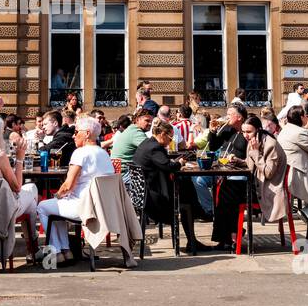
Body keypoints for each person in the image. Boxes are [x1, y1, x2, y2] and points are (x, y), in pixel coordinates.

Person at [35, 117, 115, 269]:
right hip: (101, 207)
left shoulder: (80, 153)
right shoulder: (104, 154)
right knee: (55, 207)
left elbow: (67, 186)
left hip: (83, 207)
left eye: (76, 132)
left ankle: (57, 252)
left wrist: (56, 196)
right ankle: (65, 251)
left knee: (43, 206)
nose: (73, 135)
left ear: (87, 133)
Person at [133, 117, 213, 254]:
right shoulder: (155, 148)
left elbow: (162, 163)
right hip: (154, 200)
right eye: (170, 138)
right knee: (187, 198)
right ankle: (194, 235)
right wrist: (180, 162)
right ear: (162, 134)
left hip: (145, 194)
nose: (171, 141)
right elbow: (169, 167)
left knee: (187, 189)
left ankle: (196, 226)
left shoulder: (147, 144)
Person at [0, 115, 39, 261]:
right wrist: (20, 158)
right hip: (3, 208)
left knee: (31, 204)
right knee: (32, 188)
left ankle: (33, 249)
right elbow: (17, 187)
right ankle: (33, 249)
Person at [207, 104, 251, 250]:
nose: (226, 117)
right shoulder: (228, 130)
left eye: (230, 114)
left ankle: (233, 236)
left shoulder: (247, 133)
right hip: (227, 174)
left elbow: (253, 159)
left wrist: (238, 160)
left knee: (227, 196)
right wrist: (213, 131)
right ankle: (225, 237)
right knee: (221, 200)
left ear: (239, 117)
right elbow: (213, 146)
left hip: (244, 178)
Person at [242, 115, 298, 229]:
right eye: (243, 131)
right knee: (226, 188)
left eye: (249, 131)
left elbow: (268, 173)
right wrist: (236, 161)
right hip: (257, 184)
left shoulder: (270, 144)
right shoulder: (253, 141)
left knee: (229, 193)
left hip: (268, 190)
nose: (245, 135)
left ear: (257, 130)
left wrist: (256, 152)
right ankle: (230, 236)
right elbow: (250, 164)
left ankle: (234, 237)